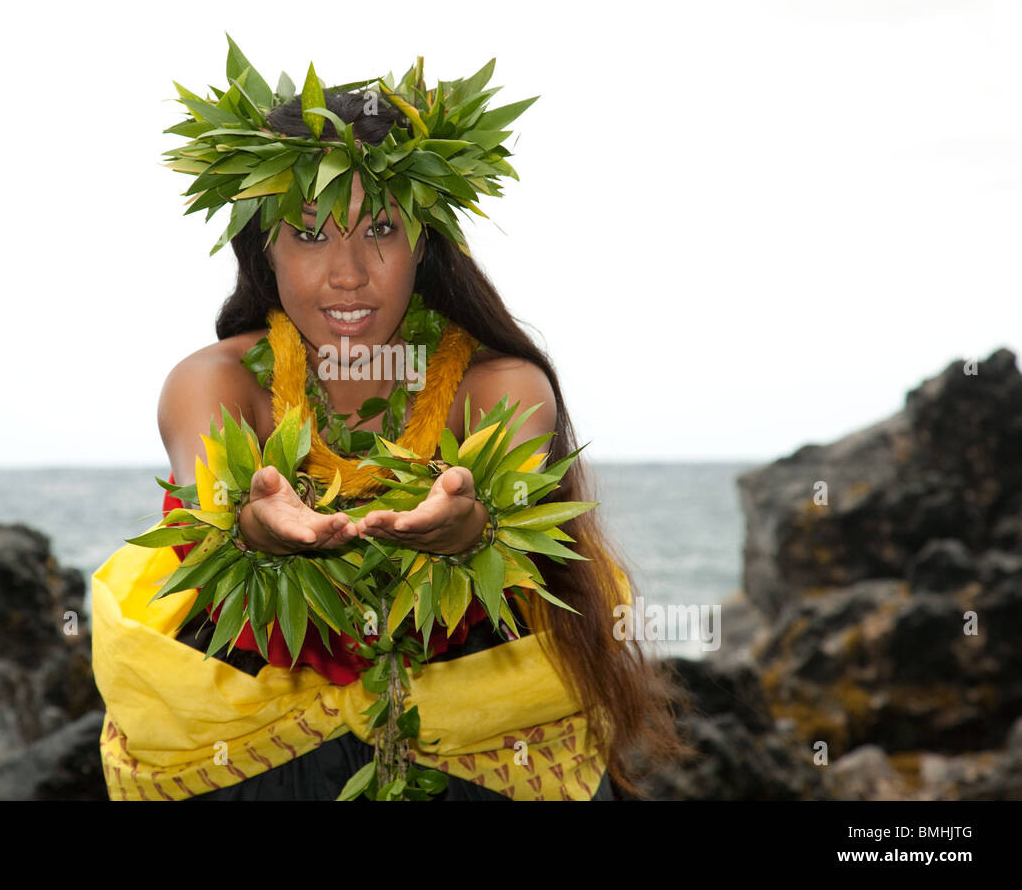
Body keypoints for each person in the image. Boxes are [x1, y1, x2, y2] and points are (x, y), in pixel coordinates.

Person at [91, 51, 691, 800]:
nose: (348, 273)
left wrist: (468, 530)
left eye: (380, 228)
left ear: (426, 242)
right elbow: (210, 505)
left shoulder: (497, 386)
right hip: (251, 757)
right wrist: (253, 525)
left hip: (477, 760)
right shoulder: (214, 382)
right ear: (263, 249)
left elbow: (502, 508)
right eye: (309, 235)